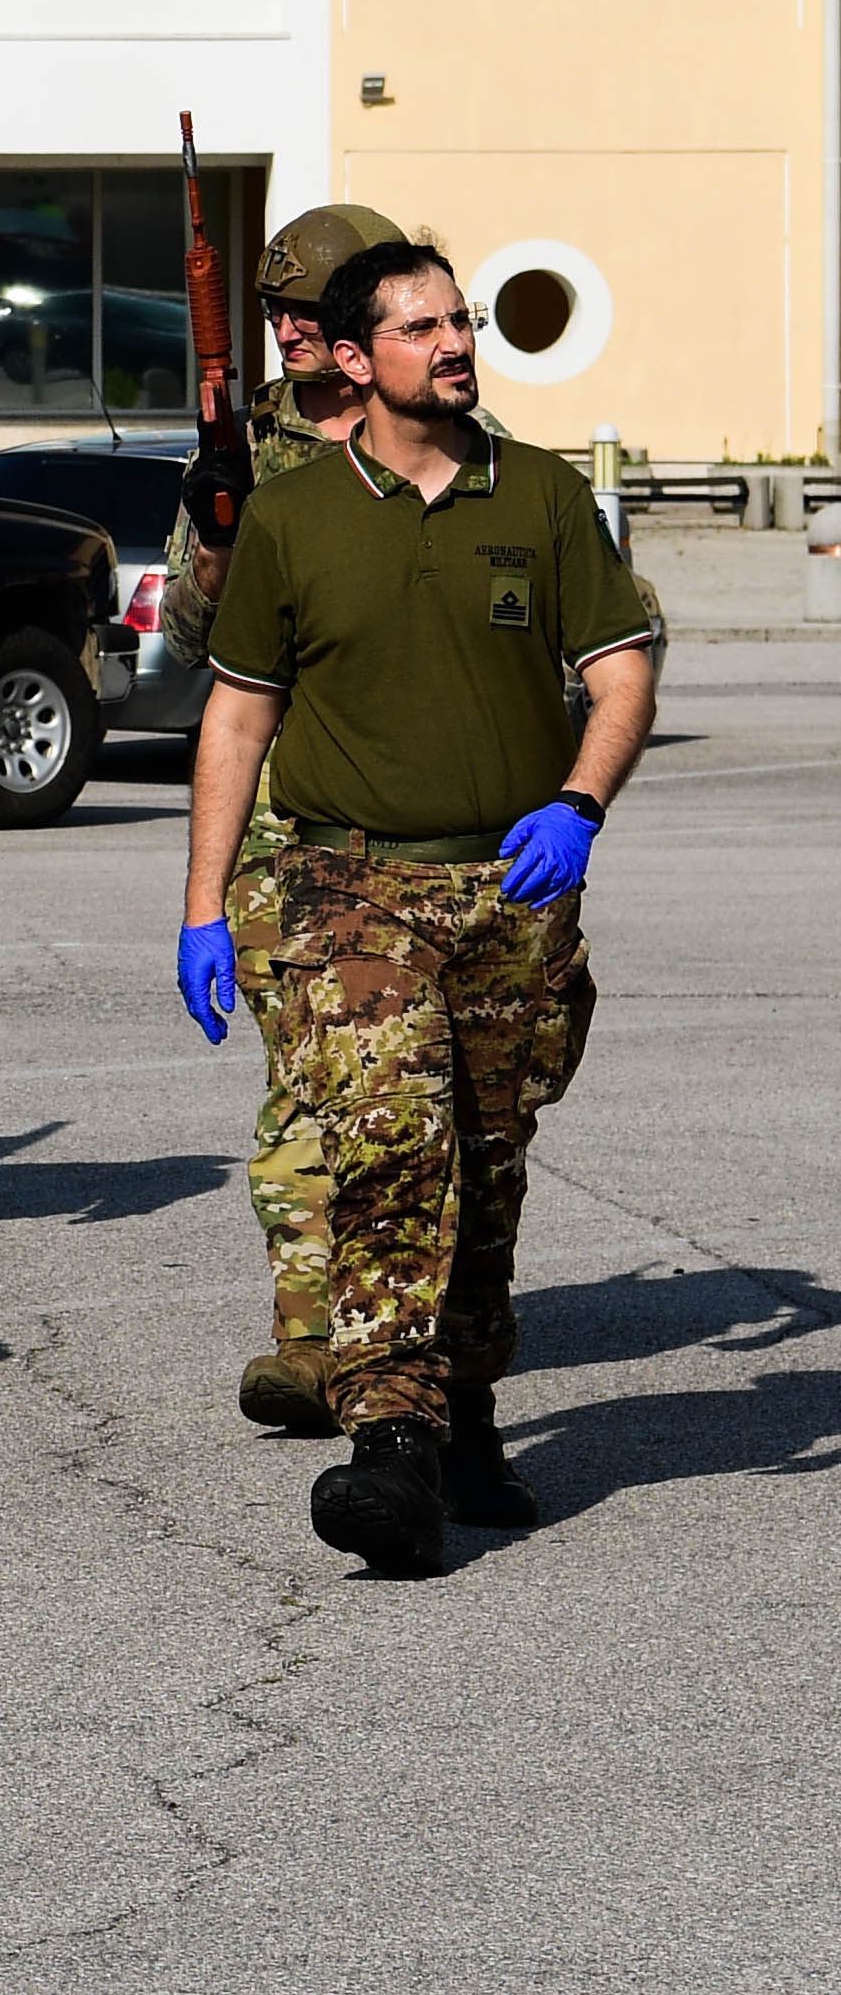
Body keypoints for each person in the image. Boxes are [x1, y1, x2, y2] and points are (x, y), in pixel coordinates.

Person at [179, 239, 653, 1578]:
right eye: (422, 325)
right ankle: (388, 1435)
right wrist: (205, 902)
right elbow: (238, 711)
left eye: (462, 319)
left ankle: (467, 1412)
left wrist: (580, 802)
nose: (455, 341)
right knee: (390, 1141)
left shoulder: (546, 498)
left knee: (488, 1172)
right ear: (352, 357)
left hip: (513, 889)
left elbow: (620, 675)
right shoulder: (293, 516)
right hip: (349, 881)